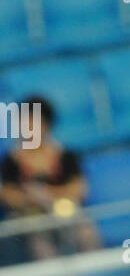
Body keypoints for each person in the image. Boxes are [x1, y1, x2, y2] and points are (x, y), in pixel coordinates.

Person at [0, 96, 97, 260]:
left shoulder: (65, 155)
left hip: (64, 213)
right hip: (29, 220)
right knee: (41, 246)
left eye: (33, 123)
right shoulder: (11, 160)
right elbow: (8, 195)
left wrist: (45, 194)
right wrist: (29, 199)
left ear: (46, 125)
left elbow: (79, 190)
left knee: (87, 233)